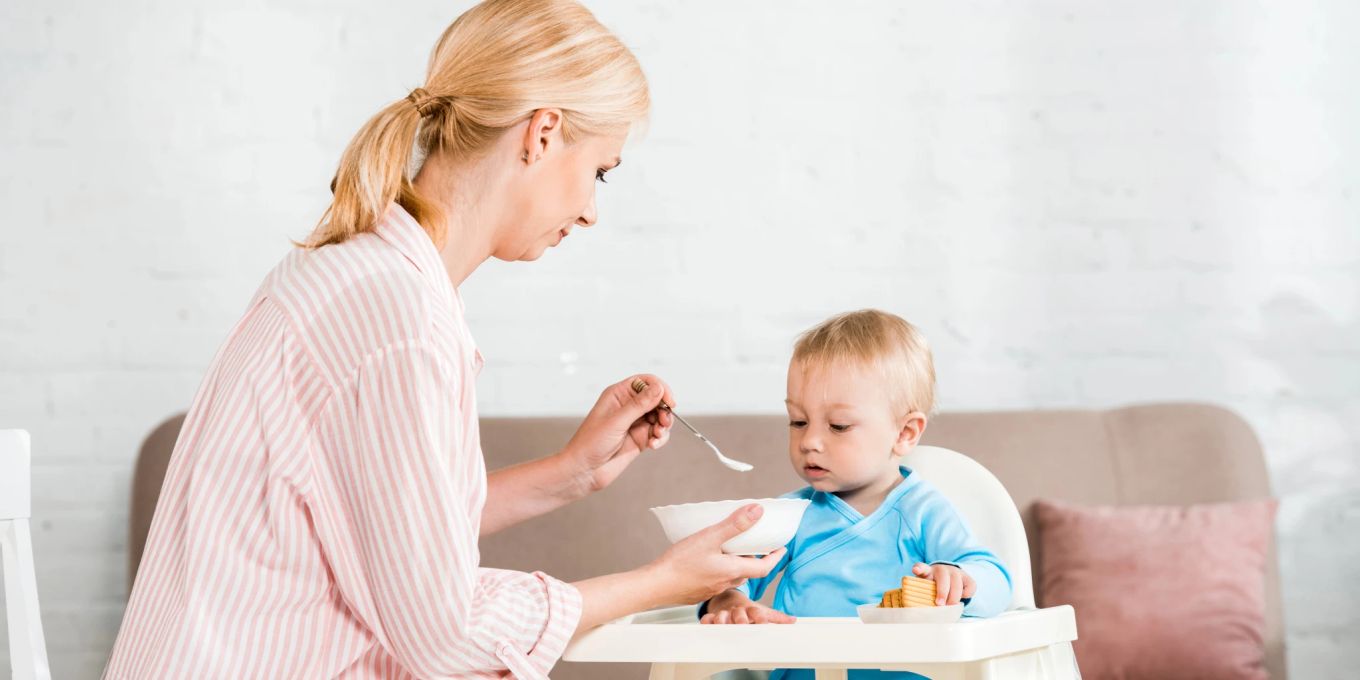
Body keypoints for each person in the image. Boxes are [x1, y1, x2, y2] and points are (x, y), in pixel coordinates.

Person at [104, 1, 783, 677]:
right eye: (601, 170)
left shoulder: (368, 276)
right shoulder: (398, 321)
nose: (591, 211)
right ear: (542, 133)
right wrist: (662, 583)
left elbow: (387, 529)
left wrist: (570, 474)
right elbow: (442, 629)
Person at [700, 310, 1012, 680]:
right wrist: (728, 602)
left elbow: (996, 582)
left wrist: (959, 579)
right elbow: (729, 576)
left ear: (905, 433)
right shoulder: (790, 516)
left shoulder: (922, 511)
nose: (810, 441)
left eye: (838, 426)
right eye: (798, 421)